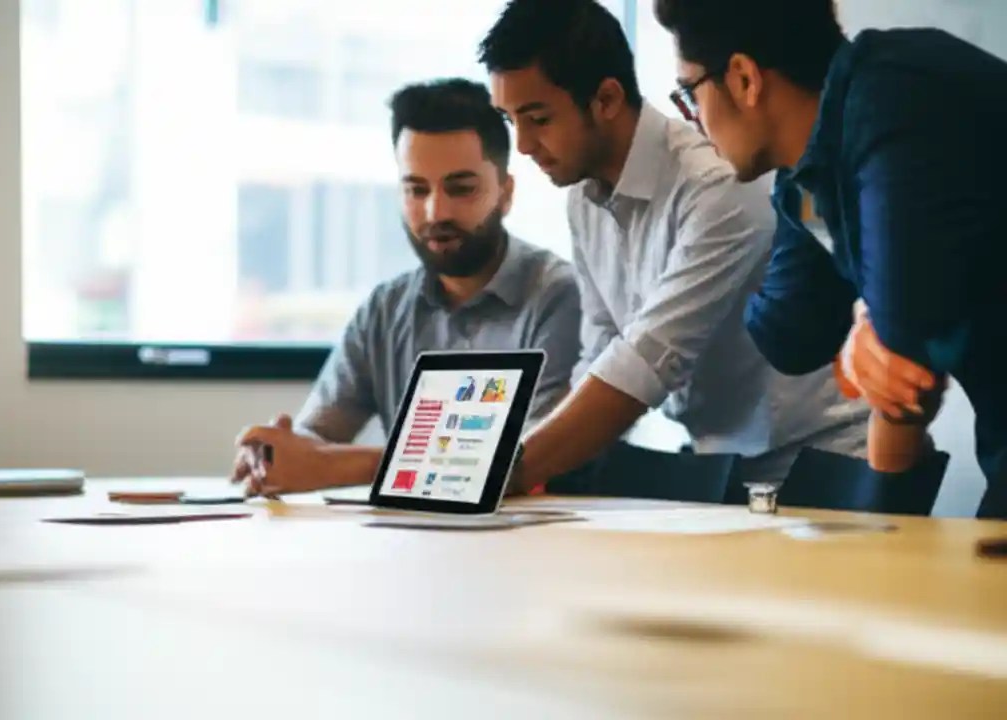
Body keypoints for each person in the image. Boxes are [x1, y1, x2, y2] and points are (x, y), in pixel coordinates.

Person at [477, 0, 869, 493]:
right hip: (719, 462)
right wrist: (527, 456)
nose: (526, 145)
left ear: (606, 99)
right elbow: (601, 352)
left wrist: (504, 473)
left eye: (537, 118)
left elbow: (647, 362)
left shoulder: (717, 181)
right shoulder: (583, 197)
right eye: (512, 121)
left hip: (824, 462)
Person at [654, 0, 1007, 517]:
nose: (695, 121)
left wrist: (875, 329)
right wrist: (865, 327)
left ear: (744, 78)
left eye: (690, 93)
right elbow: (789, 335)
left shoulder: (895, 96)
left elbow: (905, 361)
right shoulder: (811, 179)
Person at [231, 78, 582, 496]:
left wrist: (333, 465)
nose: (436, 211)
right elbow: (316, 435)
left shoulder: (560, 298)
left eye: (461, 188)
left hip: (535, 543)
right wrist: (278, 455)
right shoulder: (384, 310)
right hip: (408, 543)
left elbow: (520, 459)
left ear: (505, 193)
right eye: (416, 189)